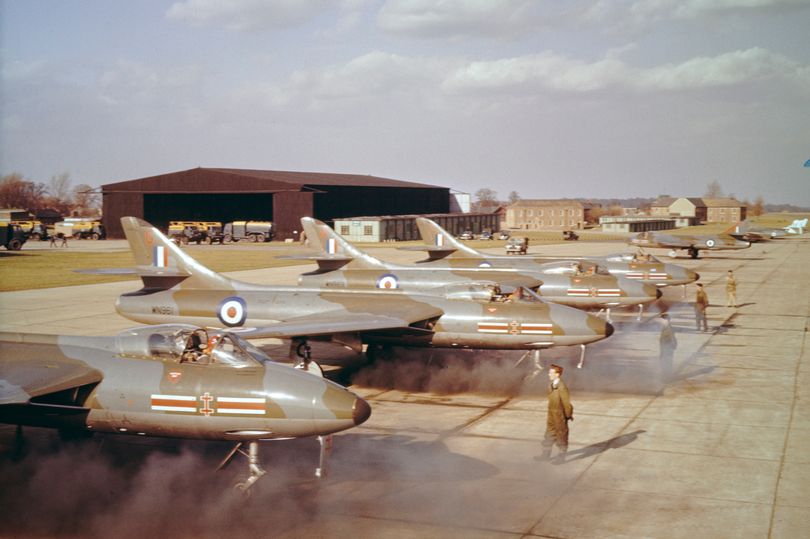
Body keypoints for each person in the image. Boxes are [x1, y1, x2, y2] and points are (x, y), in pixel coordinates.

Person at [539, 364, 574, 464]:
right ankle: (546, 454)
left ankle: (561, 457)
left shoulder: (562, 387)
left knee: (561, 434)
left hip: (559, 414)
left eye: (551, 373)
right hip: (551, 413)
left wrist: (567, 415)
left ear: (557, 374)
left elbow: (566, 403)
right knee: (549, 433)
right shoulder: (552, 384)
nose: (548, 374)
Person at [659, 313, 677, 381]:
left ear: (665, 320)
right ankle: (666, 376)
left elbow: (673, 338)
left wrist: (672, 346)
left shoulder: (669, 328)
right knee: (664, 361)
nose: (660, 321)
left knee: (667, 362)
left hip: (667, 348)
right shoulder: (665, 327)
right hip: (664, 348)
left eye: (661, 320)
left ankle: (667, 377)